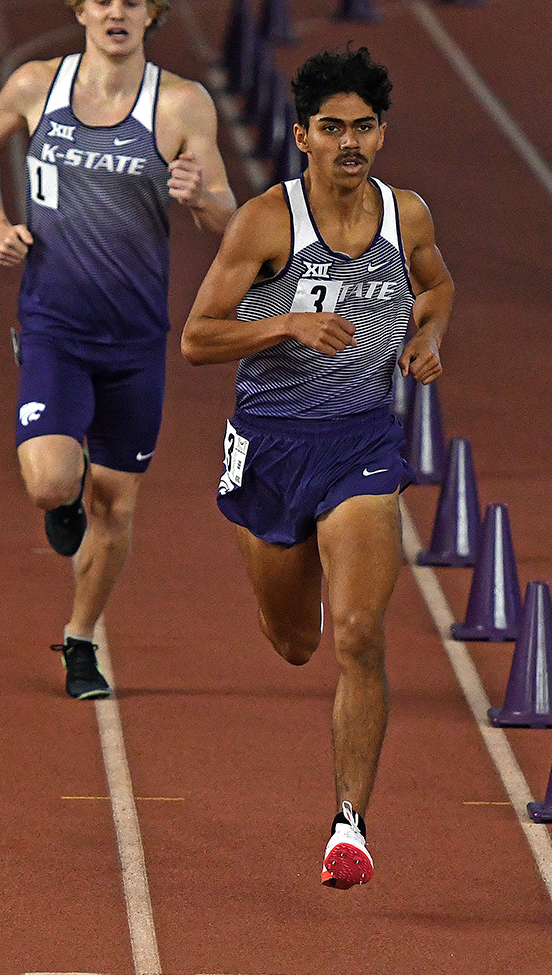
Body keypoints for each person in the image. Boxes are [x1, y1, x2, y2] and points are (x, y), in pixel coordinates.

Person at [181, 47, 454, 888]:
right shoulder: (267, 221)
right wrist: (285, 325)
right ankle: (302, 574)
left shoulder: (406, 215)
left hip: (362, 443)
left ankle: (350, 827)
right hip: (271, 444)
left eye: (363, 127)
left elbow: (437, 286)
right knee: (297, 642)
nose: (349, 143)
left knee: (361, 634)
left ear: (381, 133)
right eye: (331, 128)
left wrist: (425, 339)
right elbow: (196, 339)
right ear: (302, 135)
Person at [0, 0, 236, 699]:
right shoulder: (36, 86)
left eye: (131, 2)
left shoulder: (180, 104)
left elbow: (229, 216)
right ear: (81, 8)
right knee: (53, 483)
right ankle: (63, 486)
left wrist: (199, 197)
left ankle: (80, 640)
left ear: (153, 13)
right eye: (103, 0)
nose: (116, 13)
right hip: (54, 324)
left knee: (115, 507)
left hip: (136, 340)